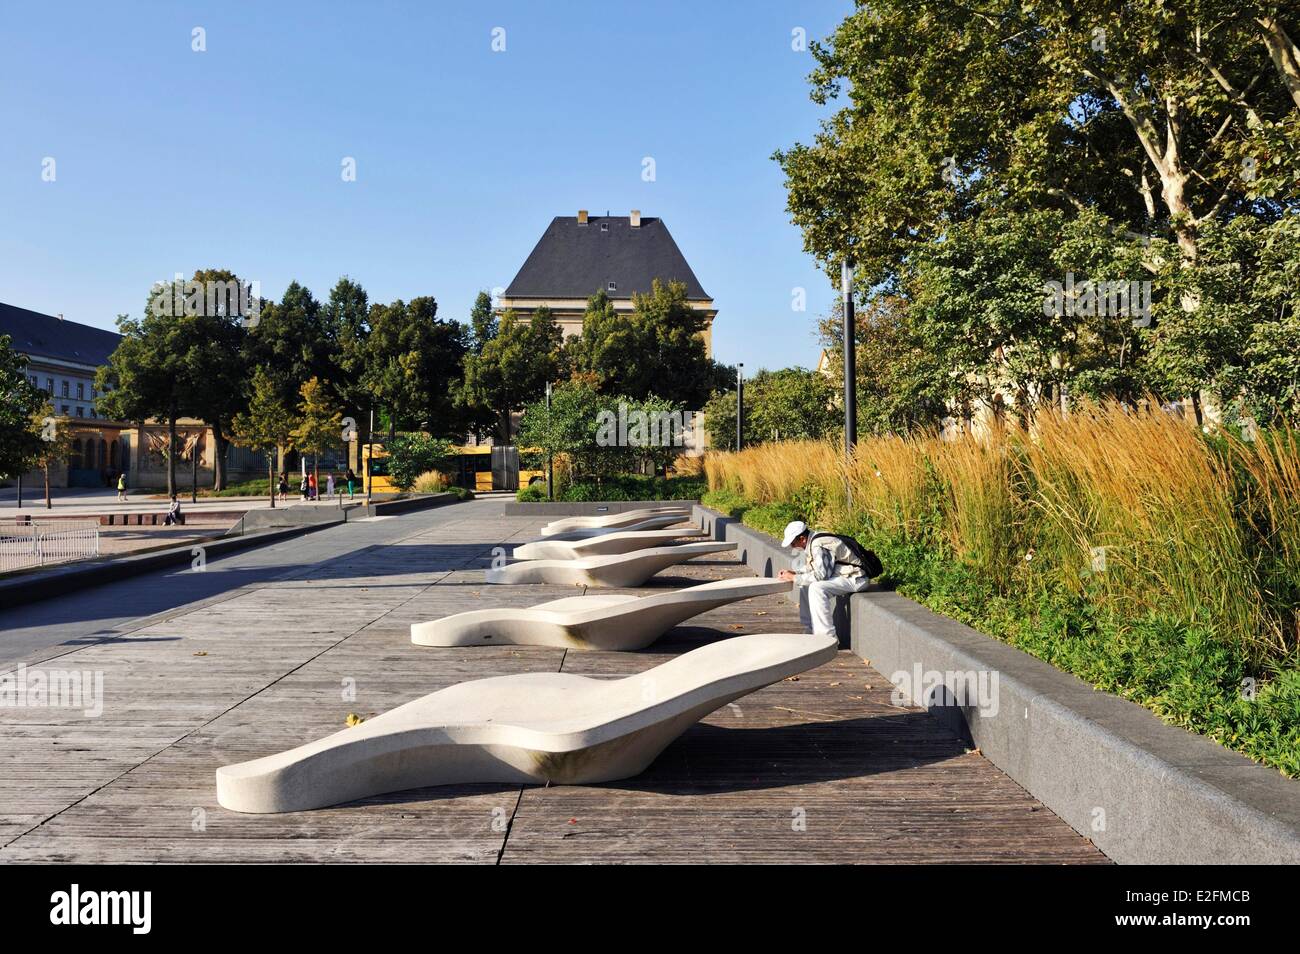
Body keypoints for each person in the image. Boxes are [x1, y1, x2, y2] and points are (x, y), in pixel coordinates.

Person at [777, 520, 881, 639]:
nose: (792, 547)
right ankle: (810, 629)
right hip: (845, 575)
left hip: (856, 578)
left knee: (816, 588)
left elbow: (821, 575)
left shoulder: (819, 545)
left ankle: (826, 638)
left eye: (793, 543)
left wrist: (794, 577)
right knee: (805, 584)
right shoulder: (814, 539)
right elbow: (817, 567)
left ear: (802, 539)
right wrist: (796, 573)